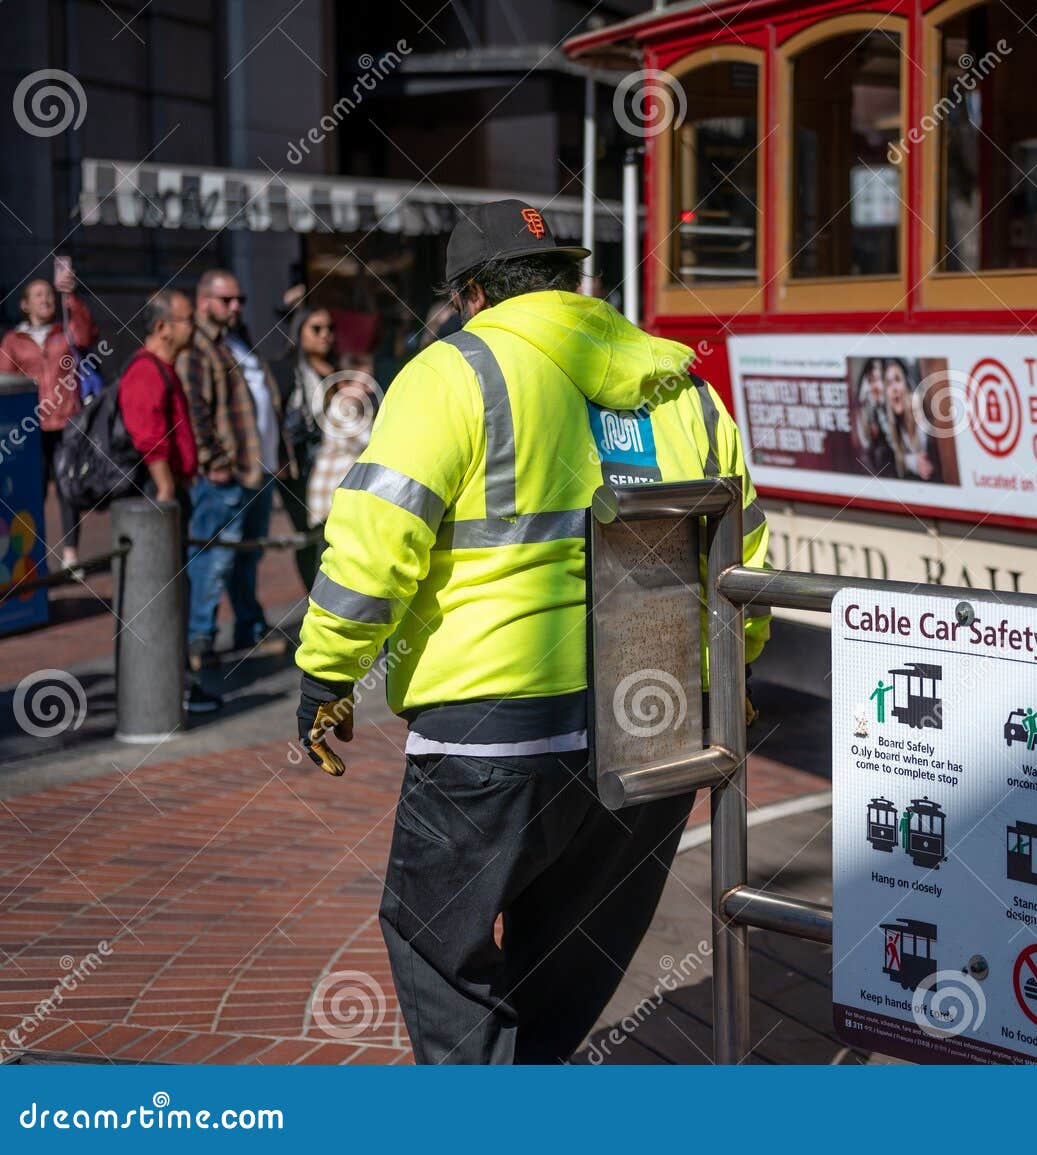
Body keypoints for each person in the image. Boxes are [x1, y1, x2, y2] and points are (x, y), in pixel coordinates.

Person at [293, 199, 770, 1065]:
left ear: (473, 293)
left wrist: (328, 673)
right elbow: (748, 556)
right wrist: (728, 677)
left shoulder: (452, 373)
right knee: (570, 950)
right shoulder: (681, 384)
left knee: (436, 932)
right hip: (658, 721)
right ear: (572, 281)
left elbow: (374, 545)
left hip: (497, 721)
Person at [177, 268, 292, 667]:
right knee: (214, 559)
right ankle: (199, 640)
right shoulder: (198, 348)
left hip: (257, 471)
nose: (236, 306)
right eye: (227, 300)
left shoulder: (237, 341)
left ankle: (250, 628)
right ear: (204, 301)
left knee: (247, 557)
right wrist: (215, 462)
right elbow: (194, 412)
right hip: (227, 475)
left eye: (239, 299)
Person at [118, 289, 219, 715]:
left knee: (177, 591)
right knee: (161, 596)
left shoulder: (166, 368)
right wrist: (164, 492)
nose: (193, 327)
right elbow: (148, 436)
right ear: (162, 327)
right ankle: (167, 692)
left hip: (174, 495)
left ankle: (179, 684)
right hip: (159, 498)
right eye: (185, 320)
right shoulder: (145, 372)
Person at [0, 263, 98, 567]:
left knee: (68, 488)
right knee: (34, 490)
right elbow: (5, 381)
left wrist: (71, 296)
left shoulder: (64, 331)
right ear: (25, 305)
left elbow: (86, 335)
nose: (46, 300)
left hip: (67, 419)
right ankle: (33, 556)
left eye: (49, 295)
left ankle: (70, 555)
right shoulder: (13, 341)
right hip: (32, 425)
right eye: (38, 295)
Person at [270, 303, 335, 593]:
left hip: (337, 465)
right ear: (300, 332)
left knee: (333, 534)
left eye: (330, 329)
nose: (325, 335)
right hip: (301, 471)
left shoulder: (341, 368)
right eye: (316, 329)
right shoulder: (286, 372)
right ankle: (314, 597)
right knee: (309, 536)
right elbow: (274, 419)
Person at [304, 351, 379, 528]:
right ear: (344, 384)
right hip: (329, 497)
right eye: (364, 382)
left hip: (340, 496)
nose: (371, 388)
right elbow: (369, 442)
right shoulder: (341, 410)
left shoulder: (358, 411)